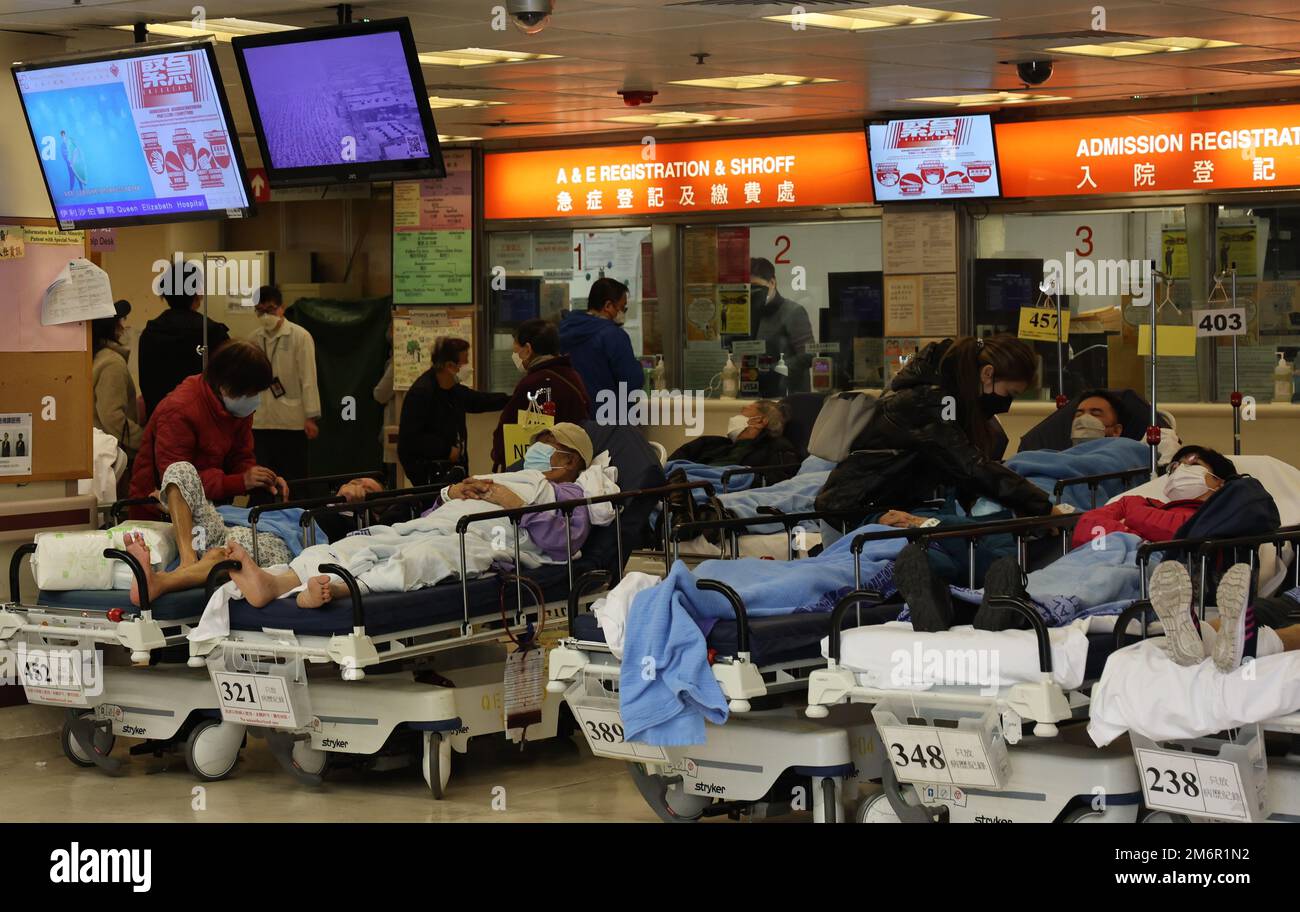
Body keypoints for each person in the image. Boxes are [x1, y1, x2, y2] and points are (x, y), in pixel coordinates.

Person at [225, 424, 599, 609]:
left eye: (545, 446)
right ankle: (278, 582)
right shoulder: (506, 474)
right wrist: (453, 492)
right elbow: (434, 508)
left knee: (429, 556)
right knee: (365, 540)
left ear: (569, 460)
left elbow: (558, 543)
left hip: (482, 540)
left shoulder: (570, 495)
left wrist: (502, 495)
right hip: (436, 522)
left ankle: (339, 588)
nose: (534, 450)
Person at [816, 334, 1065, 526]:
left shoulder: (950, 399)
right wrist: (1040, 505)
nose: (1007, 405)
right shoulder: (927, 401)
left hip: (884, 507)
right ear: (987, 374)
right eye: (1009, 393)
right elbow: (969, 465)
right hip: (855, 515)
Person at [129, 340, 286, 515]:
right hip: (159, 511)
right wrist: (240, 482)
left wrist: (261, 480)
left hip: (210, 509)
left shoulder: (238, 405)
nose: (255, 400)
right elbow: (177, 483)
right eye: (251, 393)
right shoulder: (179, 410)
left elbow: (241, 454)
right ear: (225, 387)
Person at [1069, 445, 1235, 549]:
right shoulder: (1136, 501)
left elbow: (1181, 532)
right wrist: (1136, 538)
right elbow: (1086, 526)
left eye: (1194, 465)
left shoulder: (1217, 517)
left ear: (1220, 482)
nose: (1181, 469)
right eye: (1175, 466)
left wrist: (1130, 519)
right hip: (1101, 556)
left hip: (1149, 568)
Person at [399, 337, 508, 484]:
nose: (469, 367)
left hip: (455, 470)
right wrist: (446, 450)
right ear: (450, 366)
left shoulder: (452, 390)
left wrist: (513, 398)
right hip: (430, 474)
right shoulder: (421, 393)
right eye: (465, 361)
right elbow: (411, 439)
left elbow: (478, 401)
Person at [491, 319, 590, 470]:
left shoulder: (532, 383)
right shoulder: (572, 375)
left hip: (542, 470)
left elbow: (506, 432)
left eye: (516, 350)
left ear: (528, 349)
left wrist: (499, 456)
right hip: (572, 465)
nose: (515, 355)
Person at [138, 258, 230, 418]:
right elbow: (229, 381)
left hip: (161, 423)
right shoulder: (213, 333)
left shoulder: (150, 333)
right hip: (204, 424)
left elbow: (147, 386)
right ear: (196, 292)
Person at [247, 285, 321, 483]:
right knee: (263, 480)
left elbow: (308, 378)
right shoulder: (254, 338)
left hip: (292, 422)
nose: (265, 316)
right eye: (259, 311)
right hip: (261, 421)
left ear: (282, 308)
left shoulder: (300, 336)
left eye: (270, 309)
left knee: (294, 478)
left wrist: (311, 417)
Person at [557, 277, 644, 417]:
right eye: (622, 307)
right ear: (608, 306)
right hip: (606, 418)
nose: (623, 313)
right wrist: (638, 368)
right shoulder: (613, 335)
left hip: (572, 417)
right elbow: (630, 381)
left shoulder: (564, 330)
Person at [668, 399, 800, 484]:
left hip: (717, 492)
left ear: (760, 421)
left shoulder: (778, 448)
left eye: (745, 410)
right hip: (680, 485)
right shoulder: (709, 443)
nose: (738, 415)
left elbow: (782, 481)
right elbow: (670, 465)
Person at [750, 257, 814, 395]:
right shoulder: (750, 314)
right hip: (755, 393)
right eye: (748, 289)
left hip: (788, 397)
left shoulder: (793, 311)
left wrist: (769, 370)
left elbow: (808, 355)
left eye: (756, 287)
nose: (752, 293)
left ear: (772, 283)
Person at [91, 299, 143, 458]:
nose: (123, 326)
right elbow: (112, 417)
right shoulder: (111, 363)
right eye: (120, 320)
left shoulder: (94, 358)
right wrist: (144, 440)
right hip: (112, 455)